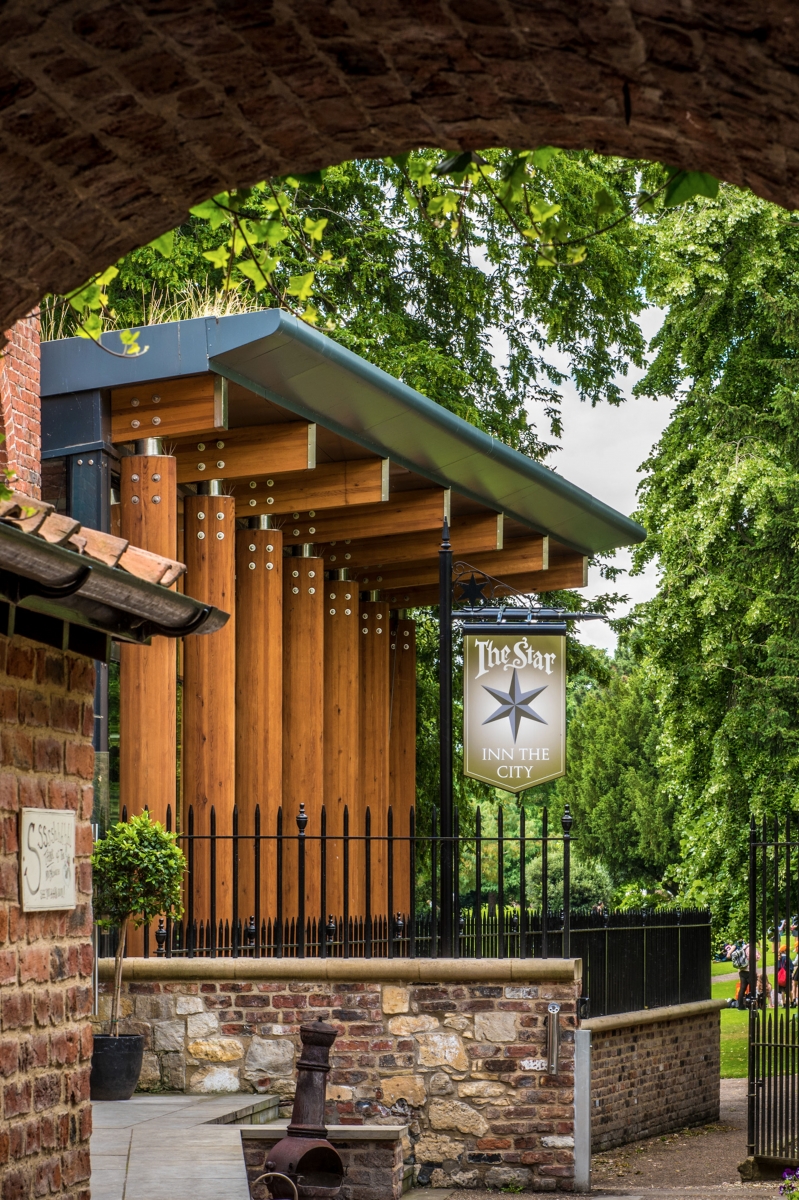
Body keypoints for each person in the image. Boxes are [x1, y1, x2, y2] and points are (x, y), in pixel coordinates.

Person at [732, 942, 752, 1009]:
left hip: (741, 970)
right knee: (753, 988)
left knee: (742, 988)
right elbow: (756, 958)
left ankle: (740, 1006)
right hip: (749, 970)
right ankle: (752, 1005)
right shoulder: (750, 948)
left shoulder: (741, 948)